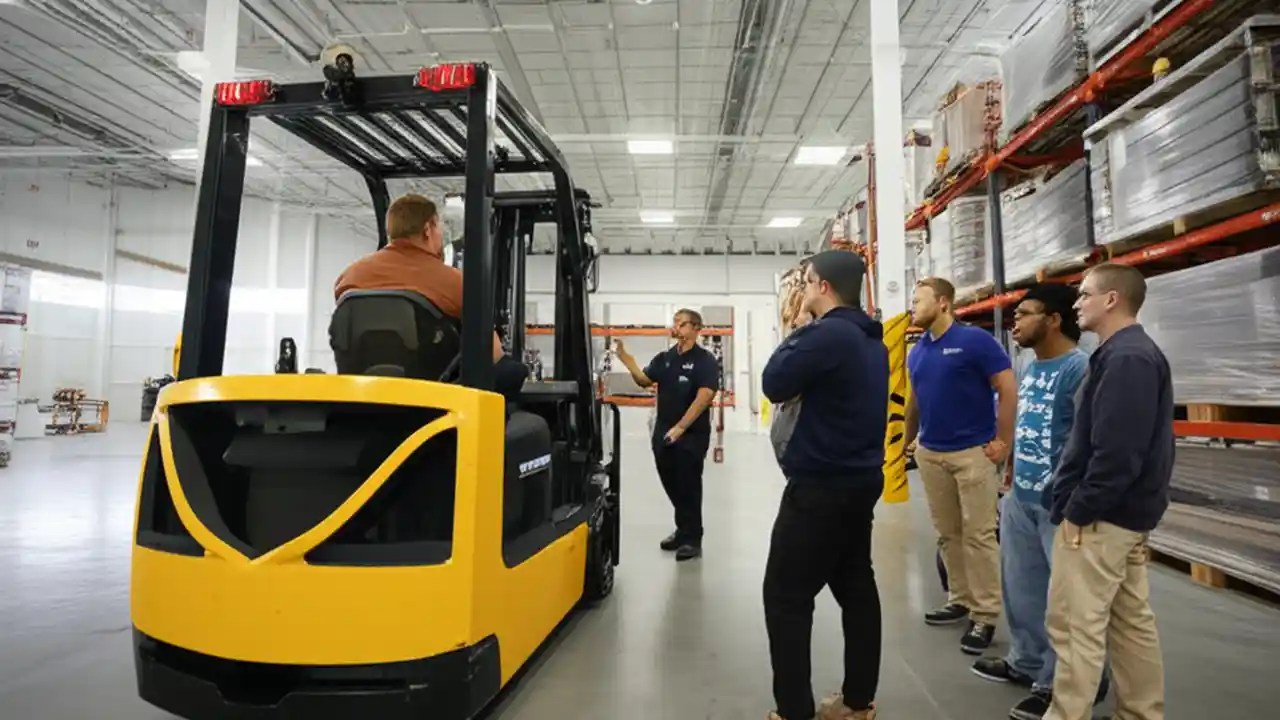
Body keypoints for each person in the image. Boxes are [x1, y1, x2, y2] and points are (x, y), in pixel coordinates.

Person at [760, 251, 888, 720]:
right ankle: (858, 703)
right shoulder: (871, 338)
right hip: (859, 481)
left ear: (824, 287)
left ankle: (793, 711)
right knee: (856, 586)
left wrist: (797, 326)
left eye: (807, 283)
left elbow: (774, 382)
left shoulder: (826, 335)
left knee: (786, 597)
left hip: (819, 488)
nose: (804, 290)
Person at [1043, 263, 1173, 720]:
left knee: (1076, 625)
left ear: (1112, 299)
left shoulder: (1127, 359)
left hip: (1103, 519)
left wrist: (1079, 509)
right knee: (1129, 623)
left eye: (1084, 295)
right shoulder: (1119, 353)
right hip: (1122, 516)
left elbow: (1118, 453)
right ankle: (1139, 712)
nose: (1076, 303)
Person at [968, 285, 1098, 720]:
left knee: (1065, 603)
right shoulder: (1027, 363)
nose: (1016, 323)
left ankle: (1059, 681)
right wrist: (1008, 467)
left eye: (1025, 314)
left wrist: (1074, 498)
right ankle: (1026, 662)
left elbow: (1088, 439)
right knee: (1022, 590)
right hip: (1021, 495)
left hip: (1058, 503)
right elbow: (1026, 421)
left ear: (1054, 320)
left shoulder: (1080, 369)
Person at [905, 277, 1017, 655]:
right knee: (947, 534)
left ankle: (984, 615)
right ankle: (960, 599)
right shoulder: (917, 350)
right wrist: (909, 440)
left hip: (972, 454)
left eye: (918, 301)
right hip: (931, 453)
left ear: (942, 303)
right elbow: (915, 401)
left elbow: (1007, 387)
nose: (912, 307)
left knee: (979, 535)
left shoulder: (975, 342)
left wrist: (1004, 442)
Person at [335, 193, 502, 360]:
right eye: (439, 227)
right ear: (428, 229)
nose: (442, 235)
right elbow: (492, 353)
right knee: (512, 371)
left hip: (365, 381)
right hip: (432, 382)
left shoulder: (348, 277)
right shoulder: (456, 282)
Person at [614, 309, 718, 561]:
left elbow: (705, 395)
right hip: (663, 432)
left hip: (691, 434)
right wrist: (626, 359)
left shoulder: (705, 360)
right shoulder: (666, 358)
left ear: (696, 328)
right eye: (675, 323)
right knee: (670, 481)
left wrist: (682, 427)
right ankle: (683, 529)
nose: (677, 328)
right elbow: (643, 380)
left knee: (689, 484)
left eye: (682, 324)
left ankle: (692, 537)